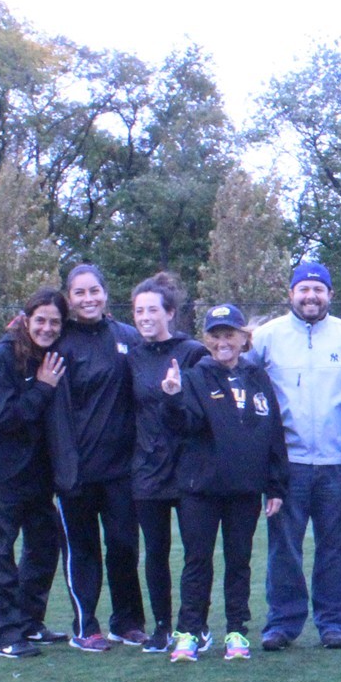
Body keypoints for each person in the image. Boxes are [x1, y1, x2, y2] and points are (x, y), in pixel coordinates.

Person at [244, 261, 341, 650]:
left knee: (338, 546)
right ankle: (283, 622)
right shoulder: (266, 338)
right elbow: (237, 380)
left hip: (339, 466)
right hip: (287, 467)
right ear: (291, 294)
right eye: (303, 289)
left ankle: (334, 621)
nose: (311, 296)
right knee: (283, 546)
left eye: (319, 290)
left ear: (330, 295)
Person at [159, 305, 288, 661]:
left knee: (239, 562)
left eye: (229, 334)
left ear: (244, 337)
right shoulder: (195, 376)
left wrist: (276, 485)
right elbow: (182, 425)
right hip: (201, 489)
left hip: (245, 490)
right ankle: (189, 632)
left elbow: (273, 432)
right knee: (197, 561)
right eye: (215, 335)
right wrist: (171, 398)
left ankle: (237, 631)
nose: (222, 342)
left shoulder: (258, 377)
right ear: (206, 340)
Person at [51, 263, 146, 651]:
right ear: (69, 299)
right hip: (75, 472)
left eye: (94, 291)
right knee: (83, 550)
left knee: (124, 545)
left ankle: (126, 622)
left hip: (122, 470)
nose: (88, 299)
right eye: (79, 293)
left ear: (106, 294)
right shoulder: (60, 343)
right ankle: (85, 626)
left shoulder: (127, 336)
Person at [0, 289, 70, 658]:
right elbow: (2, 417)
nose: (47, 327)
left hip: (34, 473)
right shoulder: (3, 356)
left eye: (55, 322)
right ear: (26, 319)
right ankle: (4, 634)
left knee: (45, 543)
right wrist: (43, 389)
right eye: (40, 319)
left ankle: (29, 622)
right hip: (0, 473)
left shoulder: (49, 355)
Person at [127, 272, 207, 653]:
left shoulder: (192, 352)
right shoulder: (133, 355)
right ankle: (161, 627)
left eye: (152, 310)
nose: (144, 317)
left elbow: (205, 407)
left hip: (189, 469)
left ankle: (194, 625)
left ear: (170, 312)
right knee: (155, 552)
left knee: (196, 552)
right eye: (138, 311)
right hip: (147, 471)